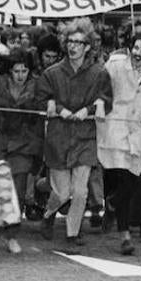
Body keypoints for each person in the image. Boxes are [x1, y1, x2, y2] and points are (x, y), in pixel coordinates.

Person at [36, 18, 113, 248]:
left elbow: (107, 101)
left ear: (88, 46)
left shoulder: (99, 73)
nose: (73, 46)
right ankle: (48, 214)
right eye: (70, 41)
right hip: (59, 138)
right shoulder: (52, 73)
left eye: (79, 42)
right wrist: (58, 108)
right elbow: (40, 98)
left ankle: (72, 233)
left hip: (84, 137)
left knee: (80, 191)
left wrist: (88, 110)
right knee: (62, 192)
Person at [98, 28, 141, 255]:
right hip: (114, 127)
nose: (138, 53)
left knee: (130, 181)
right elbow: (102, 89)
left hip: (138, 130)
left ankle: (113, 202)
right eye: (135, 48)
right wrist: (100, 106)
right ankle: (125, 235)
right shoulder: (114, 65)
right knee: (118, 175)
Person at [0, 48, 43, 254]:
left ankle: (12, 234)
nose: (20, 75)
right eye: (16, 71)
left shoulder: (37, 86)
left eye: (24, 71)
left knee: (19, 192)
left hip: (23, 143)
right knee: (0, 189)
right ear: (9, 71)